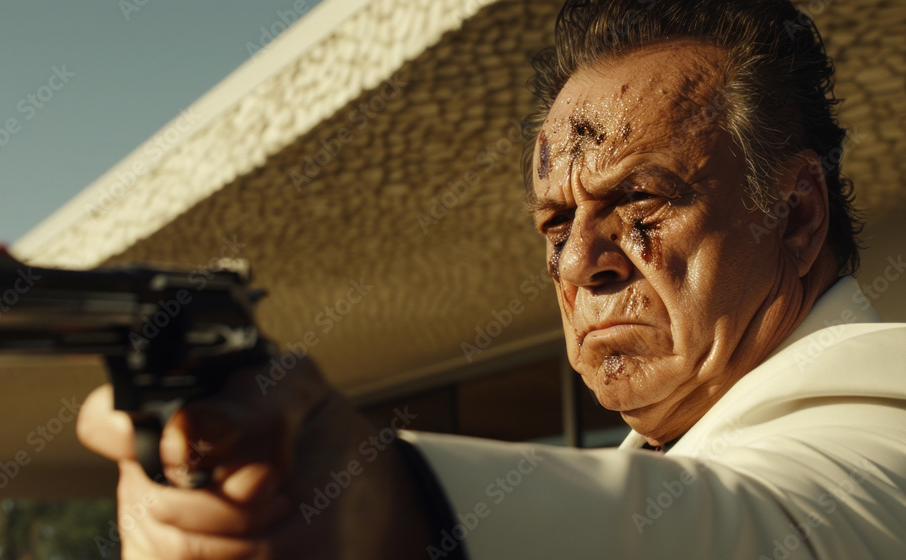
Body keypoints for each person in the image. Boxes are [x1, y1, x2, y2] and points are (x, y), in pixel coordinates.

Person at [77, 0, 906, 558]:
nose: (581, 261)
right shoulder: (657, 464)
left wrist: (375, 500)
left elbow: (768, 526)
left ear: (796, 216)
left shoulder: (882, 436)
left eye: (641, 197)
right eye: (555, 222)